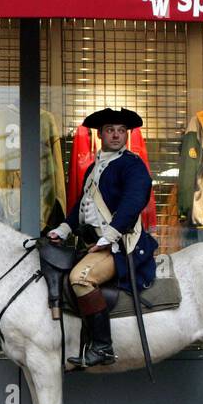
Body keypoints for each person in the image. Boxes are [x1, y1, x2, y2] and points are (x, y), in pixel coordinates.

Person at [47, 108, 158, 369]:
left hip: (121, 246)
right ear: (100, 135)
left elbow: (133, 203)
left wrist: (110, 236)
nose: (117, 135)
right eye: (111, 130)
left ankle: (102, 347)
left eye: (121, 131)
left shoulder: (131, 164)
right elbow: (81, 208)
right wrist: (63, 229)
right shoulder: (95, 168)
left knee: (80, 279)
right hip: (95, 245)